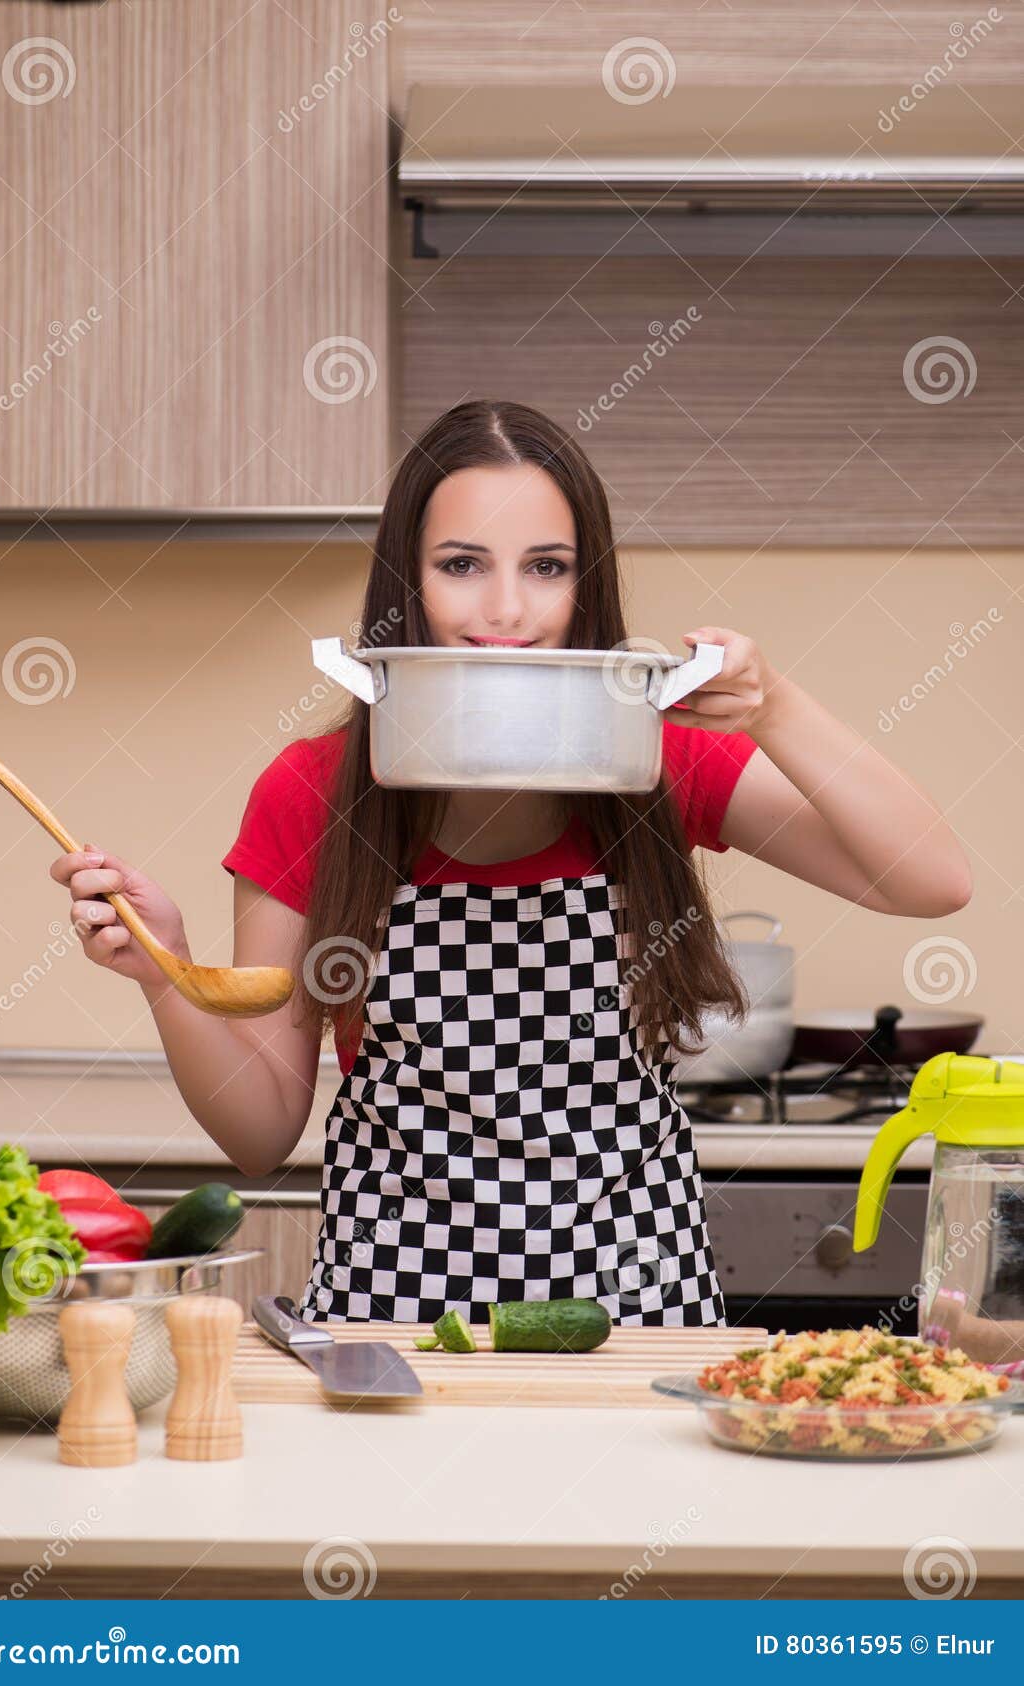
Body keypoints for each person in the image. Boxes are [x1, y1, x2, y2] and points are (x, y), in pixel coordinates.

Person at [50, 400, 973, 1327]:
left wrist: (775, 706)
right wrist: (163, 969)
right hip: (393, 1314)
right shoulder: (310, 794)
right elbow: (261, 1134)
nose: (505, 610)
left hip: (638, 1310)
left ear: (587, 590)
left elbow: (931, 879)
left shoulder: (658, 761)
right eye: (462, 566)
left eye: (547, 568)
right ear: (404, 586)